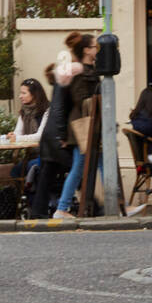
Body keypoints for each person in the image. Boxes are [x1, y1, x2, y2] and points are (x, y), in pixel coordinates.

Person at [28, 52, 83, 219]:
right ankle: (92, 204)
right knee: (78, 167)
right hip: (56, 136)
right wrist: (62, 136)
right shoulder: (65, 80)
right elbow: (59, 110)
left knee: (47, 174)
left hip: (49, 135)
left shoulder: (61, 80)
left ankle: (38, 212)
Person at [53, 32, 100, 217]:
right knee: (80, 166)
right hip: (83, 125)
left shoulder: (91, 70)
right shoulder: (80, 72)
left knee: (103, 163)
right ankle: (62, 208)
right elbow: (80, 100)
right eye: (95, 47)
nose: (97, 49)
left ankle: (122, 205)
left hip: (89, 125)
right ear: (87, 50)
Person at [7, 78, 49, 202]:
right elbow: (18, 132)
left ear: (35, 94)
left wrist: (17, 138)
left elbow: (39, 136)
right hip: (30, 154)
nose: (20, 96)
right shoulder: (24, 111)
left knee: (31, 167)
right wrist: (12, 136)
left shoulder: (46, 110)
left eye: (24, 93)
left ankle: (37, 203)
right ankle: (30, 203)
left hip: (46, 154)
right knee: (15, 171)